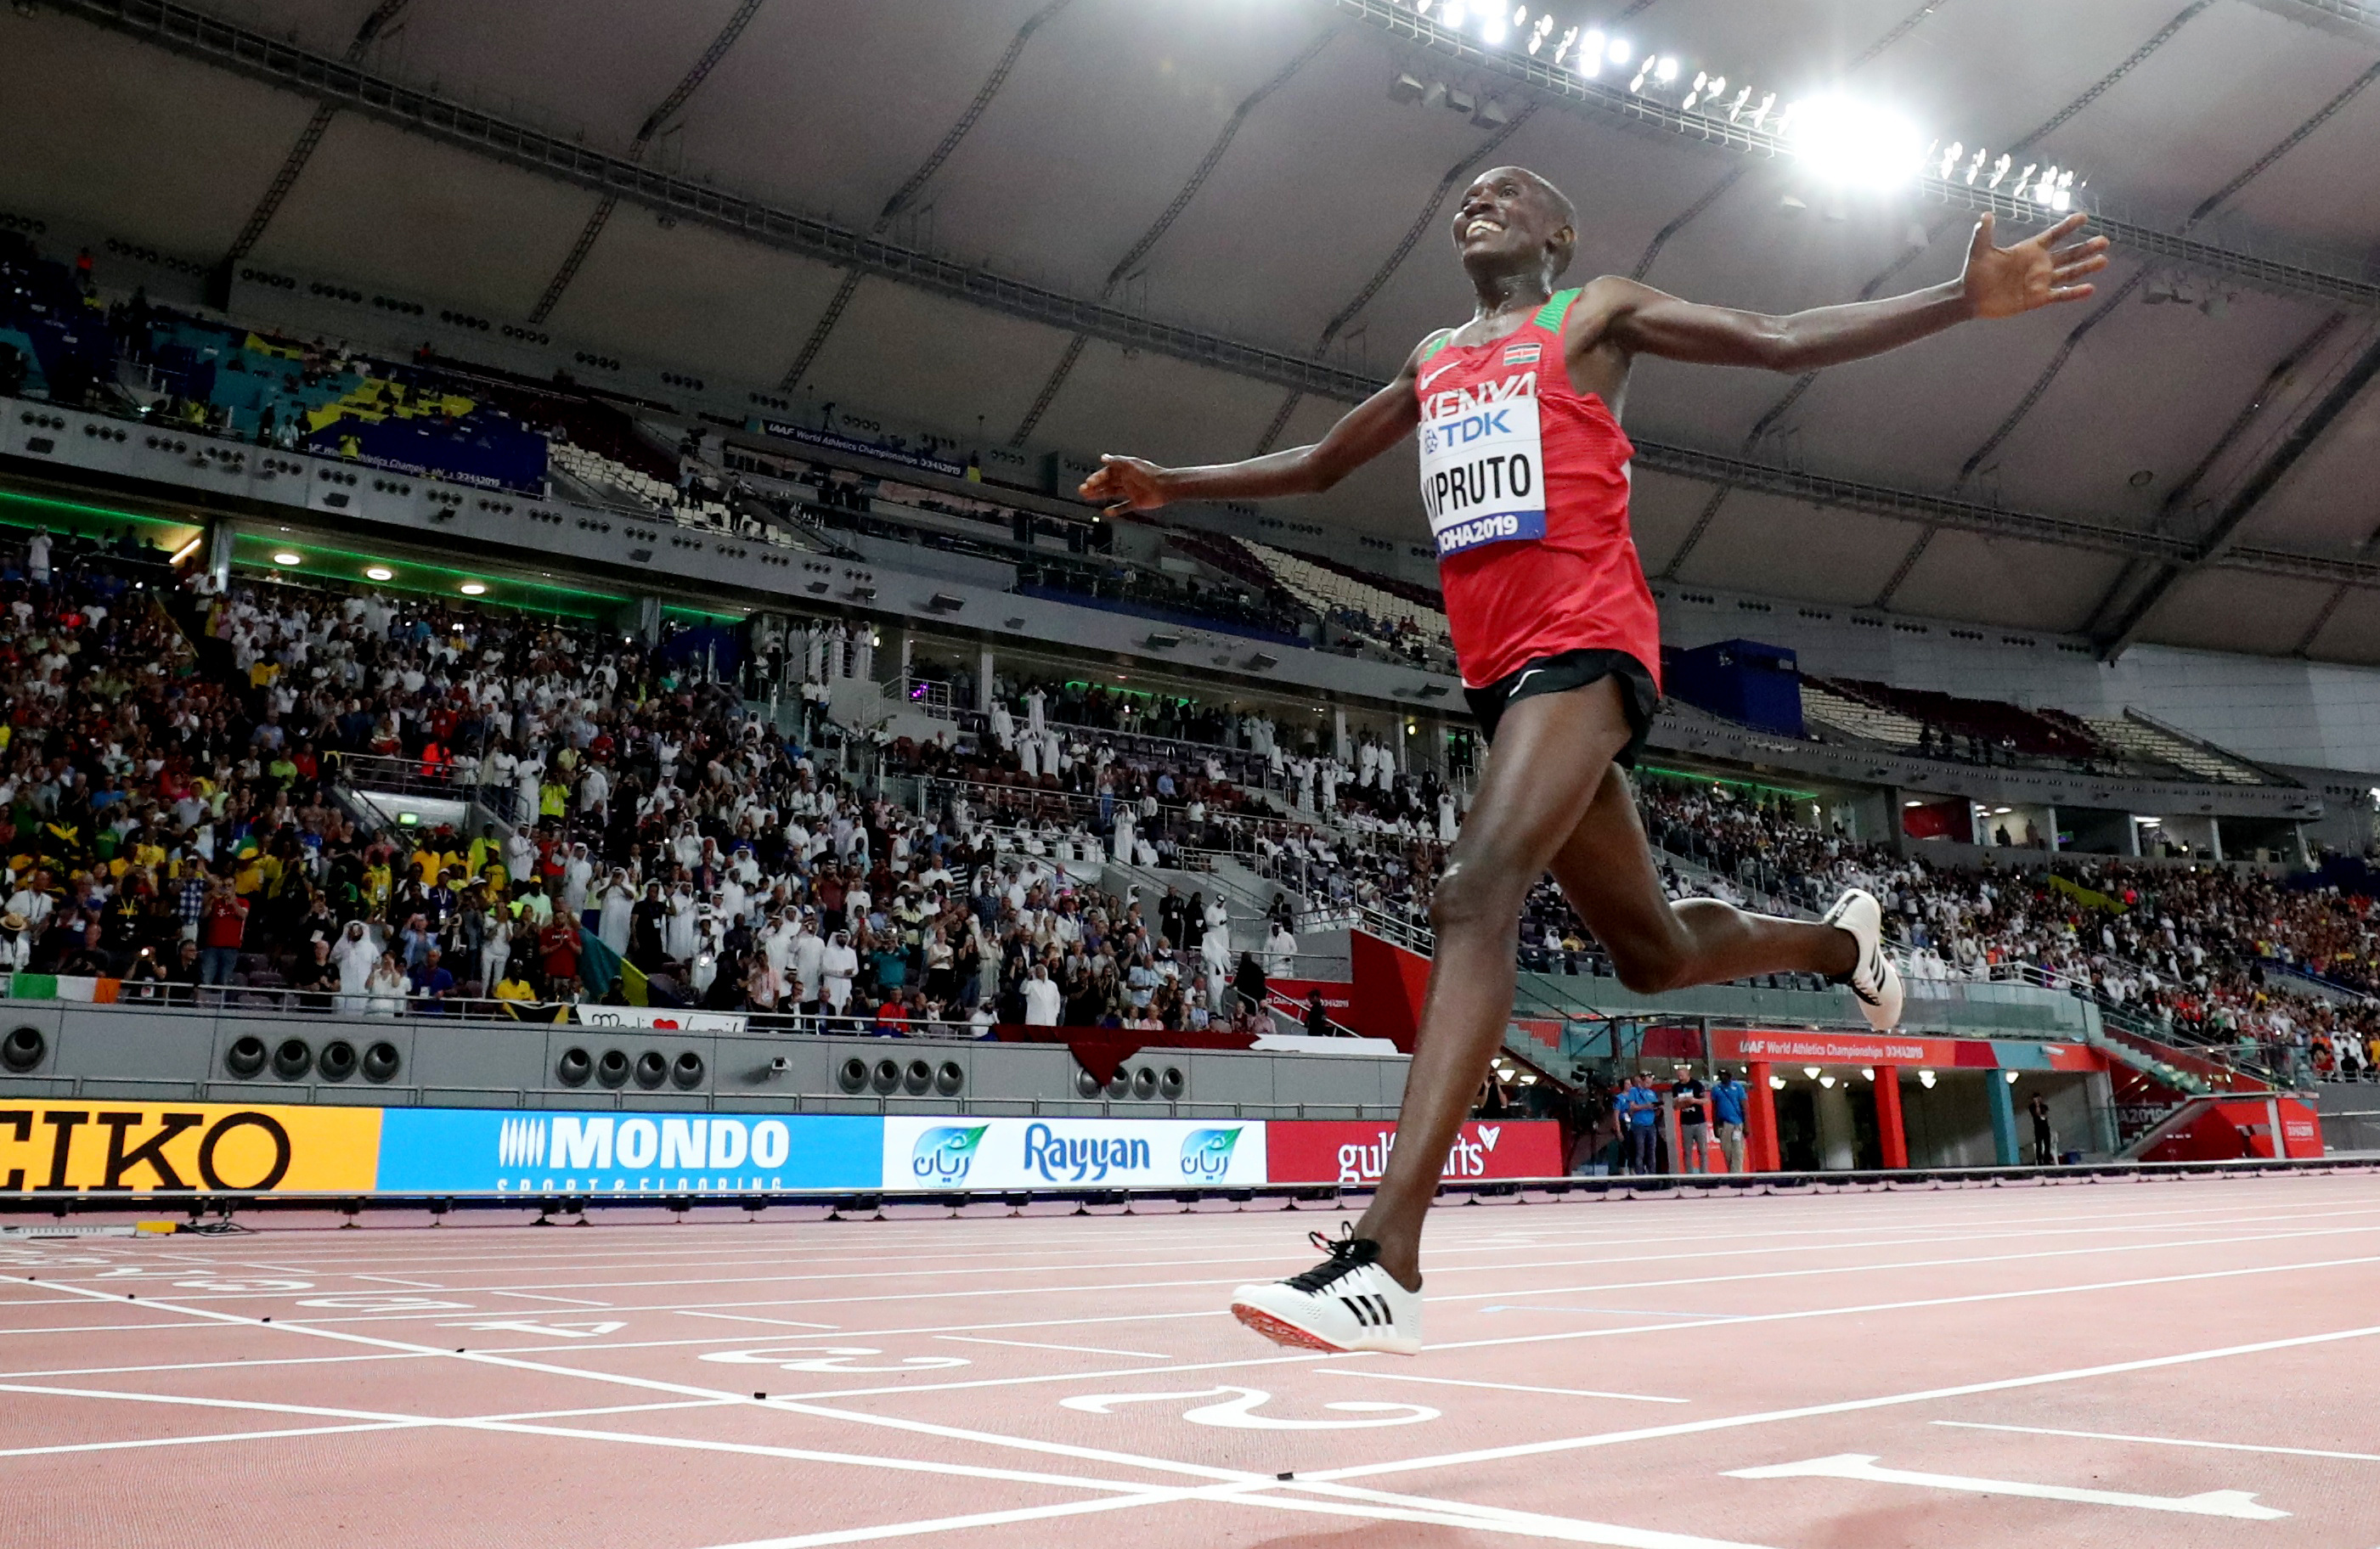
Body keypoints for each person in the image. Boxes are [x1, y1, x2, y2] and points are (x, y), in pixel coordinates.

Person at [1090, 166, 2106, 1355]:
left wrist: (1955, 299)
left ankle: (1386, 1260)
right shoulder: (1433, 359)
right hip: (1499, 679)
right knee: (1651, 956)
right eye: (1462, 194)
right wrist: (1178, 487)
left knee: (1473, 890)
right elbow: (1320, 461)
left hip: (1585, 650)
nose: (1474, 202)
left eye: (1505, 192)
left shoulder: (1595, 315)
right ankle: (1842, 942)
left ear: (1557, 234)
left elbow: (1777, 341)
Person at [1616, 1073, 1661, 1175]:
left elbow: (1655, 1110)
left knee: (1651, 1151)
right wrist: (1646, 1106)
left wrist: (1658, 1108)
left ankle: (1652, 1173)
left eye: (1650, 1083)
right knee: (1639, 1151)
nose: (1649, 1085)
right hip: (1639, 1124)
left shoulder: (1651, 1093)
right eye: (1647, 1082)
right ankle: (1639, 1173)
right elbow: (1632, 1107)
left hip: (1651, 1124)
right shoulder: (1634, 1091)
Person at [1711, 1067, 1750, 1174]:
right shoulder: (1716, 1089)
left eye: (1725, 1075)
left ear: (1729, 1076)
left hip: (1737, 1123)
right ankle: (1732, 1173)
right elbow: (1714, 1108)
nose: (1723, 1077)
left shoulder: (1738, 1087)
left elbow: (1744, 1107)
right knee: (1727, 1150)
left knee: (1737, 1151)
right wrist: (1715, 1125)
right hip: (1724, 1124)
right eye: (1721, 1075)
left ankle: (1737, 1175)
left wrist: (1746, 1124)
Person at [1674, 1067, 1711, 1175]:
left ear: (1687, 1074)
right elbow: (1675, 1105)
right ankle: (1689, 1174)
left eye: (1682, 1075)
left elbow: (1706, 1100)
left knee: (1703, 1150)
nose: (1680, 1077)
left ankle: (1704, 1173)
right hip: (1686, 1122)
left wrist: (1694, 1100)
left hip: (1699, 1121)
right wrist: (1681, 1103)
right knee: (1687, 1151)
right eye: (1678, 1075)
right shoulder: (1676, 1087)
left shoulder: (1696, 1084)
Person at [2030, 1090, 2056, 1166]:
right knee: (2039, 1144)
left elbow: (2046, 1114)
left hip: (2045, 1127)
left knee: (2047, 1143)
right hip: (2038, 1128)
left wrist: (2044, 1114)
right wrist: (2037, 1105)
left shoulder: (2044, 1106)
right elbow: (2036, 1114)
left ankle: (2047, 1159)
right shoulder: (2031, 1107)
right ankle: (2039, 1159)